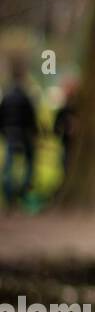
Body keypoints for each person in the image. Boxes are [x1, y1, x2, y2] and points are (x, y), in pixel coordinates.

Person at [0, 58, 38, 211]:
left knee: (9, 167)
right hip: (23, 135)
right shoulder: (25, 97)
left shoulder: (6, 97)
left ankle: (9, 193)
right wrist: (34, 133)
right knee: (29, 163)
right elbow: (31, 117)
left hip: (9, 134)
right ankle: (22, 190)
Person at [53, 75, 79, 185]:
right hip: (67, 144)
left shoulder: (80, 107)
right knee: (66, 167)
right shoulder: (64, 109)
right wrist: (65, 128)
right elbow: (56, 128)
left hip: (78, 146)